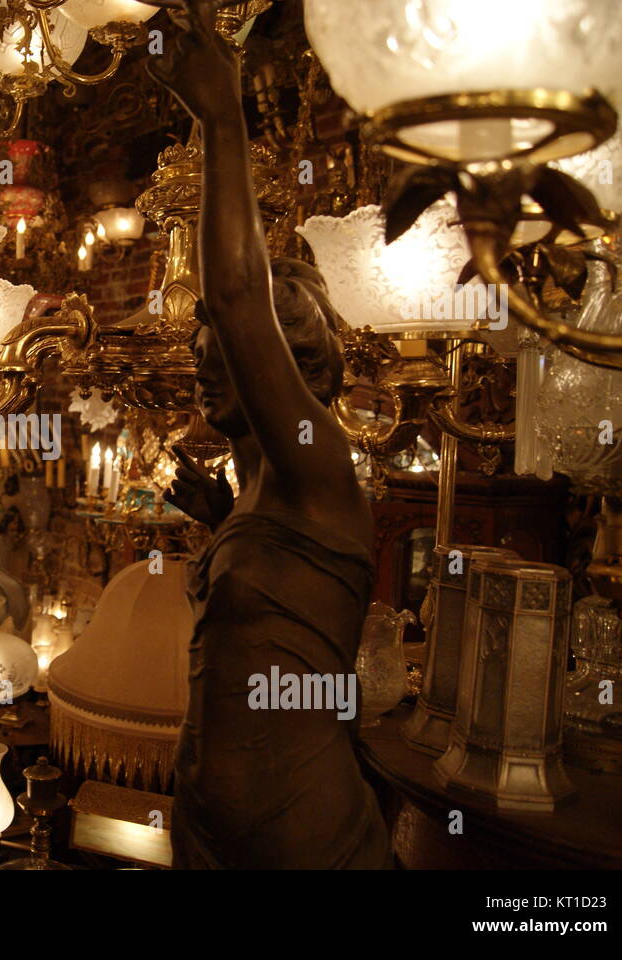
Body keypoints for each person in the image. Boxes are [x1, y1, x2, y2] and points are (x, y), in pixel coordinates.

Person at [150, 0, 392, 868]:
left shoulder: (316, 458)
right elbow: (275, 615)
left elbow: (237, 294)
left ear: (296, 372)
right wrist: (222, 524)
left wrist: (221, 118)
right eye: (205, 349)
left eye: (238, 351)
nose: (214, 362)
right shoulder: (264, 491)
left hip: (306, 839)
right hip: (213, 834)